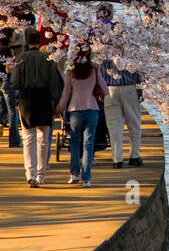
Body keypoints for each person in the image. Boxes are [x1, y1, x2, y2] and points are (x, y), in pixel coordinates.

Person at [10, 27, 62, 187]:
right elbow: (54, 84)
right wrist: (58, 102)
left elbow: (15, 83)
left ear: (27, 41)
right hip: (44, 99)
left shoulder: (20, 58)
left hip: (27, 99)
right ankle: (41, 173)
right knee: (43, 139)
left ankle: (30, 173)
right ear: (40, 42)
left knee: (28, 138)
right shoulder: (47, 59)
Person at [57, 48, 107, 187]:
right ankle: (86, 178)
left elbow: (66, 92)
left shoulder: (71, 71)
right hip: (92, 109)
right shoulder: (94, 70)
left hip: (75, 109)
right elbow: (105, 89)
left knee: (75, 143)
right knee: (88, 144)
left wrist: (60, 107)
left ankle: (74, 174)